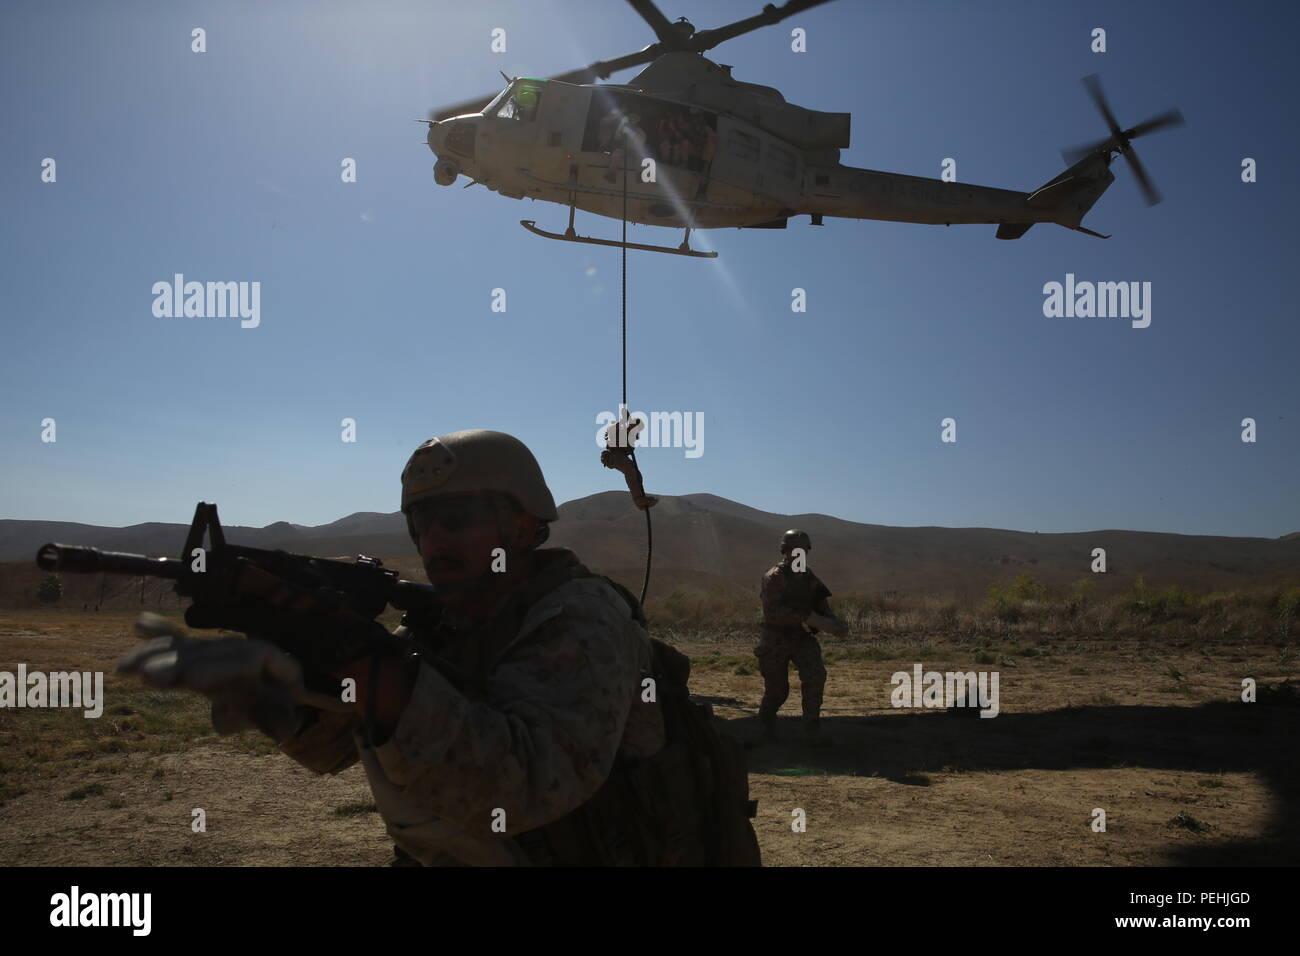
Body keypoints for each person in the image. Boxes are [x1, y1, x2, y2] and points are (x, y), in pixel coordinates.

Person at [119, 429, 759, 865]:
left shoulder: (580, 614)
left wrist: (363, 659)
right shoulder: (449, 621)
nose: (433, 540)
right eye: (421, 523)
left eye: (456, 519)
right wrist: (271, 690)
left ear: (524, 526)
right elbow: (340, 748)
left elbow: (524, 787)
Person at [755, 529, 845, 746]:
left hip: (800, 637)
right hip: (776, 638)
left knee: (815, 678)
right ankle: (765, 728)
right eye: (795, 550)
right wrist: (808, 617)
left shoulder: (807, 575)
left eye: (804, 550)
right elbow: (773, 613)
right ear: (784, 550)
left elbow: (820, 601)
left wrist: (832, 622)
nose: (799, 554)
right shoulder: (774, 577)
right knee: (777, 691)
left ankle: (811, 731)